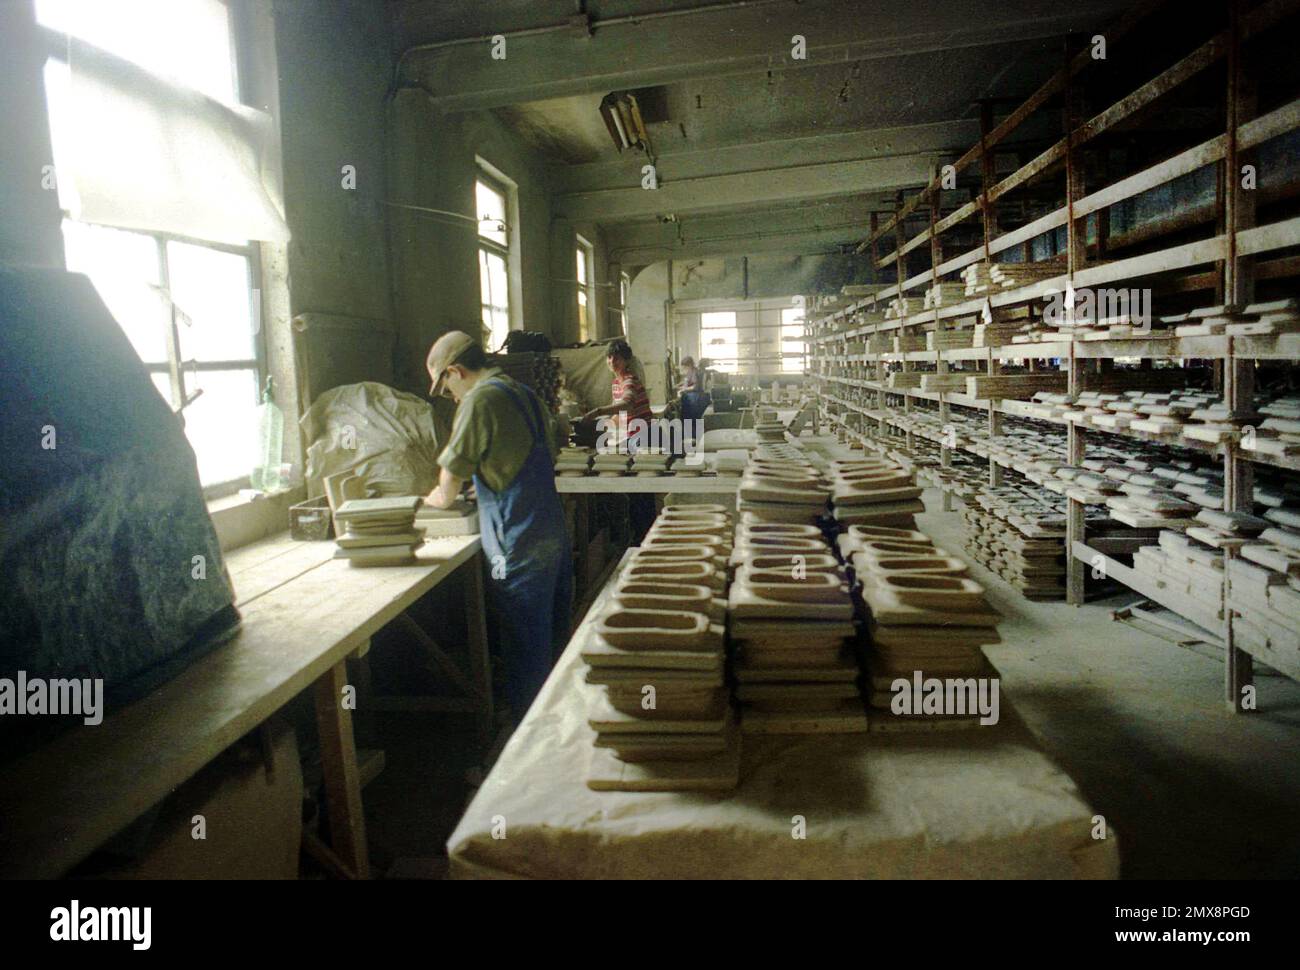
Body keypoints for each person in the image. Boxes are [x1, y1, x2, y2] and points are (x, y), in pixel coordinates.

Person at [424, 331, 571, 722]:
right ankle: (557, 728)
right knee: (550, 640)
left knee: (523, 646)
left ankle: (528, 749)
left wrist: (435, 500)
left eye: (446, 387)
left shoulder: (479, 399)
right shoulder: (523, 393)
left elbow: (450, 476)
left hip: (516, 541)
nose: (450, 396)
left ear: (455, 371)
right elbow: (523, 455)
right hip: (550, 531)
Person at [582, 338, 657, 543]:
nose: (612, 360)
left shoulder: (629, 380)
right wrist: (602, 425)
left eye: (617, 357)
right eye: (609, 357)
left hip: (644, 436)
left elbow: (628, 404)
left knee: (643, 486)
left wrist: (598, 411)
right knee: (633, 487)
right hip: (631, 436)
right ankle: (639, 534)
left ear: (626, 360)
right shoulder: (616, 383)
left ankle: (648, 535)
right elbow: (618, 415)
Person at [676, 356, 710, 432]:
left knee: (687, 404)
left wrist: (684, 389)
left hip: (697, 397)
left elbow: (695, 387)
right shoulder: (691, 372)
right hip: (698, 396)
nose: (684, 369)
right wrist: (679, 385)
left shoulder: (694, 371)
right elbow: (687, 381)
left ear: (690, 365)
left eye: (685, 367)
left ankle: (691, 432)